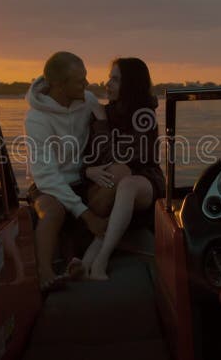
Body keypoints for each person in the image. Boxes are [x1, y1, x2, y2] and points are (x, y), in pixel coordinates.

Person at [25, 51, 109, 292]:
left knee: (115, 185)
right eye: (80, 81)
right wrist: (86, 214)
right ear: (59, 86)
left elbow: (111, 123)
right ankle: (45, 271)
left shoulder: (87, 100)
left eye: (86, 78)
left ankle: (80, 259)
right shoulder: (36, 119)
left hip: (82, 178)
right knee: (53, 210)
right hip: (48, 186)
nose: (87, 84)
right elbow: (46, 176)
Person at [80, 57, 165, 280]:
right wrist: (88, 170)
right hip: (109, 187)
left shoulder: (144, 116)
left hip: (144, 180)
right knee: (120, 176)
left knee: (125, 179)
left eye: (115, 80)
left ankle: (100, 259)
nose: (107, 84)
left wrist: (101, 122)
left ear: (131, 84)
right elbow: (92, 156)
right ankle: (90, 258)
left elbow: (123, 157)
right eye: (109, 78)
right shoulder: (103, 113)